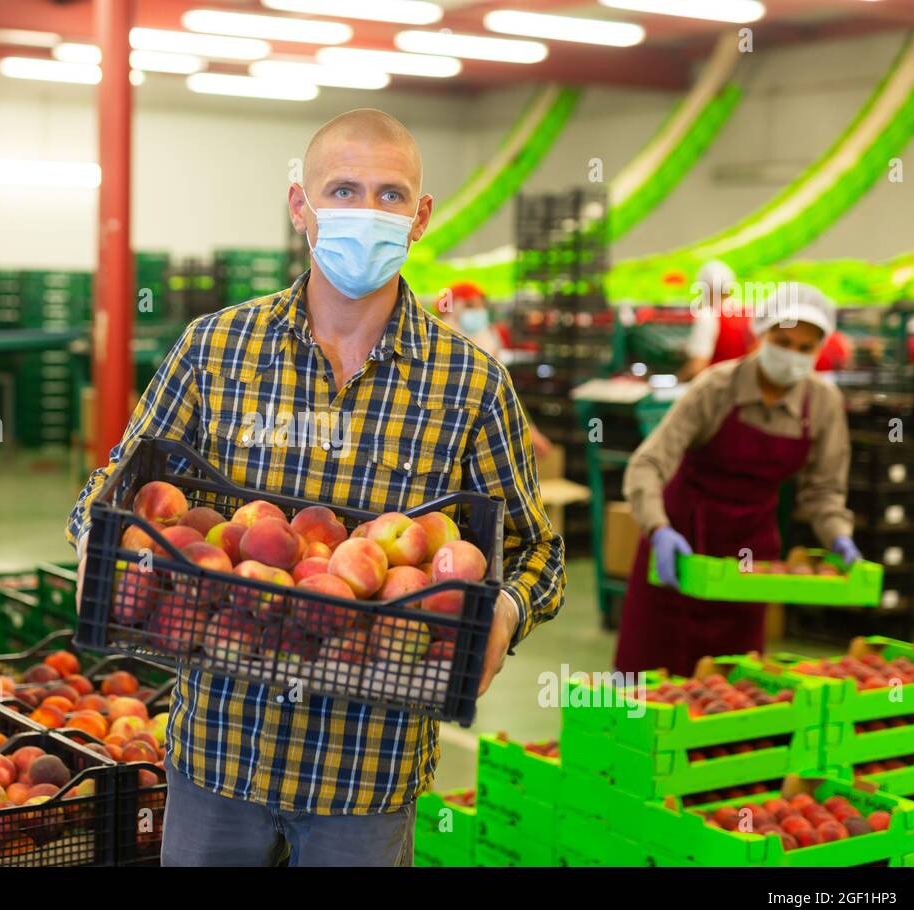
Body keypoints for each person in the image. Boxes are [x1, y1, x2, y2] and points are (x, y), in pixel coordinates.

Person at [67, 109, 564, 867]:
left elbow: (536, 552)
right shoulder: (217, 349)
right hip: (220, 753)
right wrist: (98, 544)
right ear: (301, 207)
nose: (367, 213)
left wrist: (504, 606)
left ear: (420, 217)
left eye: (390, 195)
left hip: (367, 773)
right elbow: (112, 488)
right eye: (343, 189)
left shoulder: (472, 384)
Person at [617, 283, 858, 675]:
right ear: (760, 335)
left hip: (749, 563)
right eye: (783, 341)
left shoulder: (823, 404)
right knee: (649, 682)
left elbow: (824, 491)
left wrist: (839, 536)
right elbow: (648, 464)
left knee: (731, 686)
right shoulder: (716, 387)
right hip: (682, 545)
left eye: (805, 348)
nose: (792, 355)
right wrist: (658, 528)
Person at [436, 281, 554, 460]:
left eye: (481, 305)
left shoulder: (488, 337)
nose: (477, 311)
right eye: (469, 305)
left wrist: (529, 428)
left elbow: (503, 388)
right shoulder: (440, 339)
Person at [678, 260, 753, 382]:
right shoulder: (749, 312)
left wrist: (678, 380)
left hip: (718, 389)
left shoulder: (708, 315)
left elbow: (697, 367)